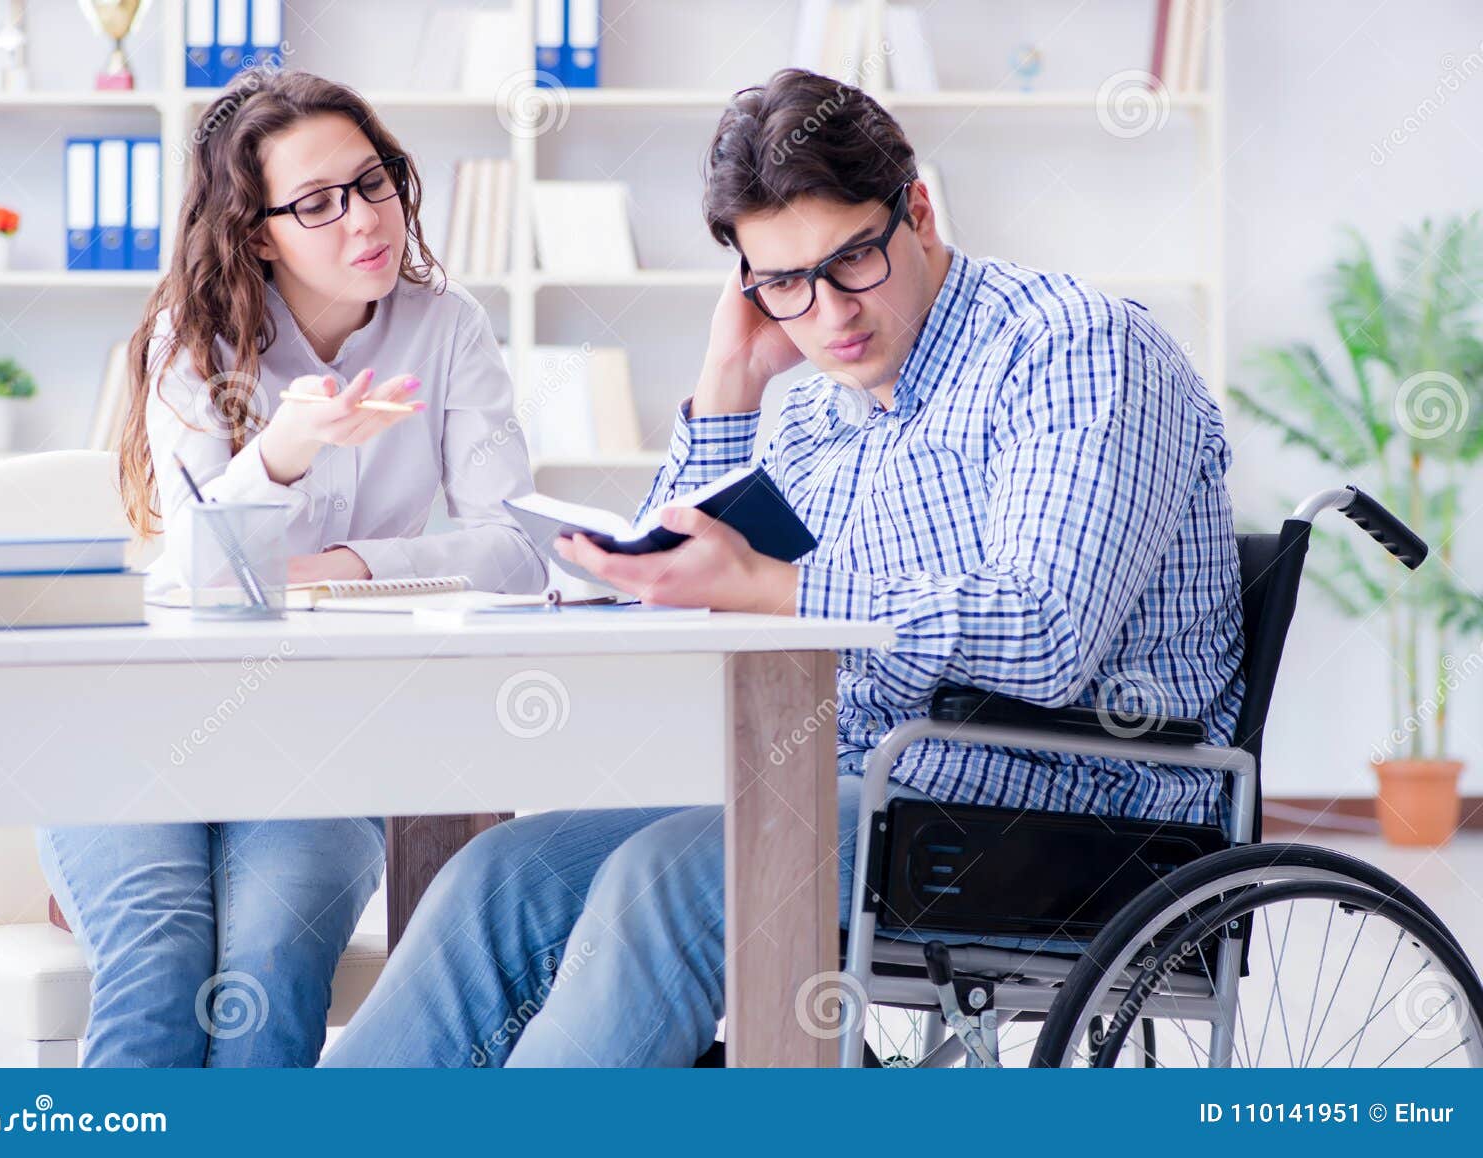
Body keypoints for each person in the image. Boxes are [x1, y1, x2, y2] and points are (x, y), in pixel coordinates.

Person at [320, 67, 1245, 1068]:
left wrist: (777, 588)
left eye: (850, 261)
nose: (827, 314)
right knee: (502, 878)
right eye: (783, 284)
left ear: (918, 212)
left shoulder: (1075, 348)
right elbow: (669, 587)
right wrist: (726, 391)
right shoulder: (813, 400)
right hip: (857, 780)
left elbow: (1046, 634)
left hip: (1074, 808)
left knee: (670, 879)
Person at [39, 69, 546, 1067]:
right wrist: (280, 455)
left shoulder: (447, 327)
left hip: (323, 742)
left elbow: (518, 551)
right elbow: (193, 575)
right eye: (316, 203)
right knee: (160, 963)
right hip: (137, 732)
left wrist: (344, 565)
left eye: (374, 182)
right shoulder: (193, 341)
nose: (363, 219)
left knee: (269, 969)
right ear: (259, 230)